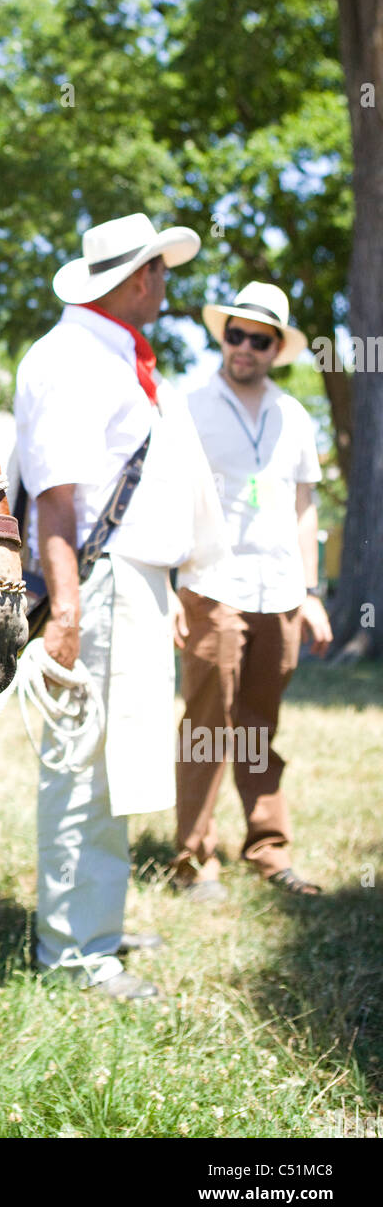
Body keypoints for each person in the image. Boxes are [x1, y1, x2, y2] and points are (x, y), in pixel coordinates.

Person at [14, 212, 227, 1000]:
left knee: (117, 764)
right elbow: (57, 500)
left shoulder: (114, 356)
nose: (166, 284)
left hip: (124, 582)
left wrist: (159, 584)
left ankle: (93, 922)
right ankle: (73, 951)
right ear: (138, 278)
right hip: (92, 585)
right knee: (84, 770)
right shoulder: (73, 359)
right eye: (161, 272)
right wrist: (65, 610)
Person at [174, 282, 334, 901]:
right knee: (209, 725)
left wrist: (312, 590)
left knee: (260, 726)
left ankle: (269, 847)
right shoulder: (187, 406)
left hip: (281, 590)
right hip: (211, 585)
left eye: (257, 339)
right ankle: (194, 859)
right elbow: (170, 501)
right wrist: (172, 587)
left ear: (276, 349)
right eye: (234, 334)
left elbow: (302, 504)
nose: (243, 346)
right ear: (223, 337)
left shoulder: (293, 415)